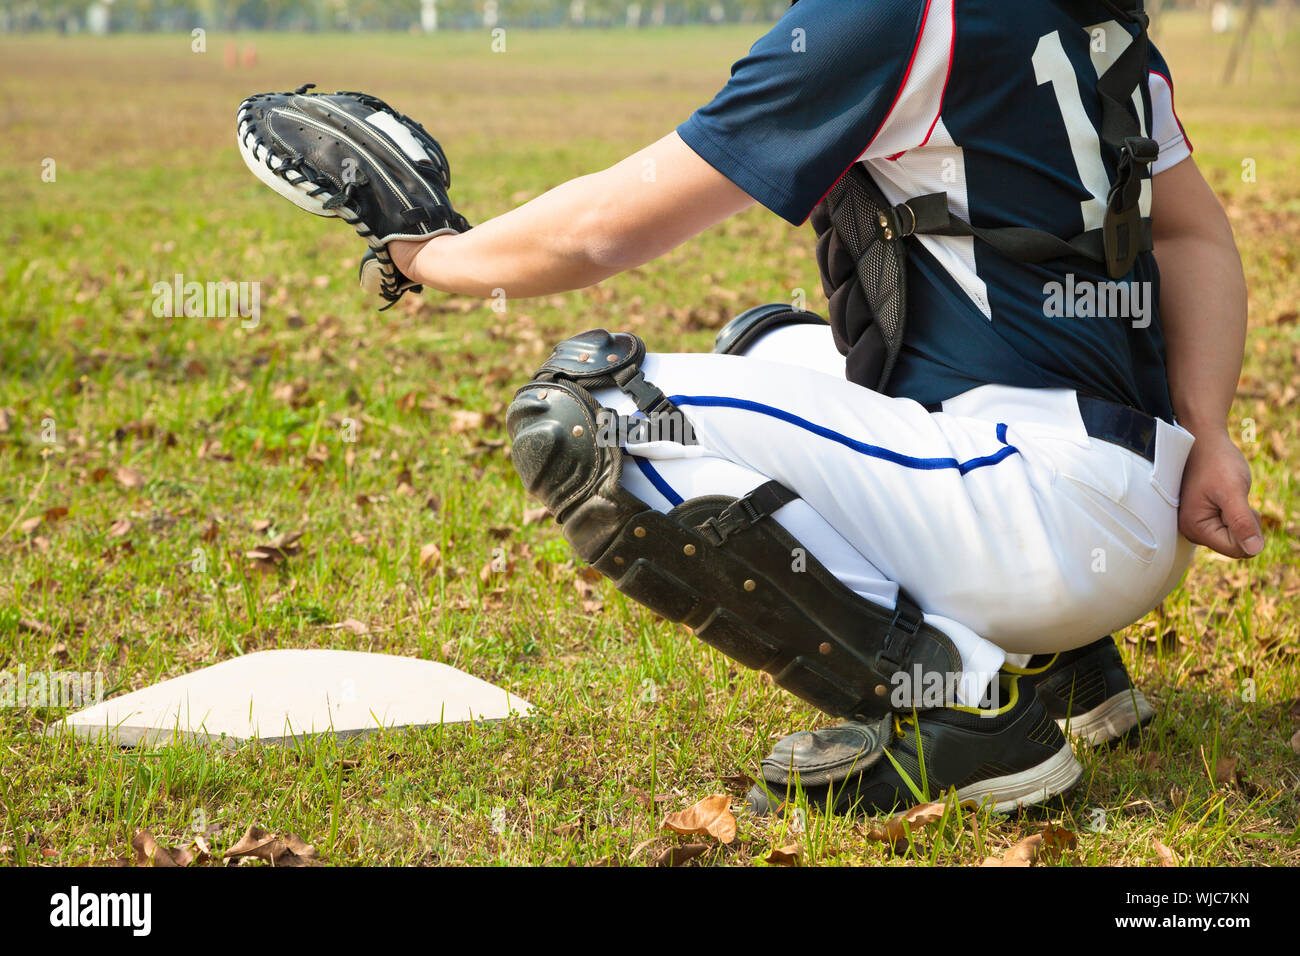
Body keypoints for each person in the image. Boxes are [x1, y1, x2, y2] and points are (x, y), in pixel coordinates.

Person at [236, 0, 1260, 815]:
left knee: (594, 416)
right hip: (1136, 501)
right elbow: (1191, 239)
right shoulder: (1101, 22)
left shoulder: (900, 15)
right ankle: (1072, 670)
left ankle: (960, 710)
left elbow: (605, 230)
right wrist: (1208, 430)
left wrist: (428, 253)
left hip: (1033, 515)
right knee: (764, 344)